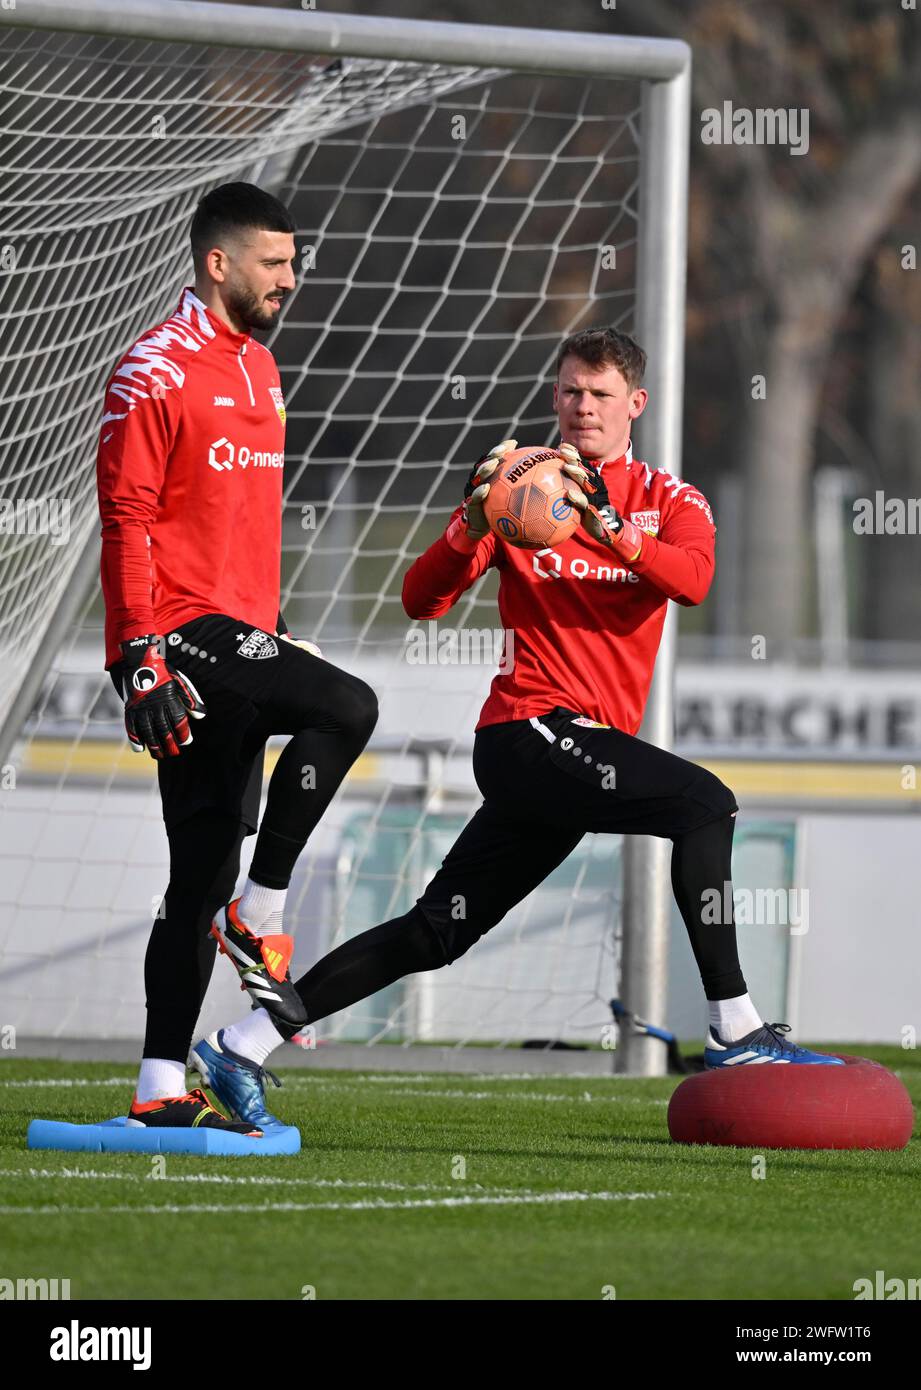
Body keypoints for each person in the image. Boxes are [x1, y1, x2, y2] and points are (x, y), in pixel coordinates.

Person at [193, 326, 842, 1130]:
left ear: (634, 405)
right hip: (528, 731)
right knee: (704, 805)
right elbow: (420, 600)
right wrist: (469, 524)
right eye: (570, 390)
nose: (582, 407)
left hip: (567, 761)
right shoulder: (516, 487)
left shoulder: (670, 500)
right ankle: (735, 1027)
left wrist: (613, 531)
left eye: (600, 394)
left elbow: (695, 581)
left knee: (435, 933)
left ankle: (241, 1042)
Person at [97, 182, 378, 1135]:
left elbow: (242, 524)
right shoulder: (152, 369)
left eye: (293, 263)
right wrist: (138, 656)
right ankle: (261, 916)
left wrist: (276, 618)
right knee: (349, 707)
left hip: (243, 631)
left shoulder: (260, 368)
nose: (290, 280)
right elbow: (128, 516)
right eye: (274, 263)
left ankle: (158, 1088)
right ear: (218, 264)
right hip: (179, 638)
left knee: (193, 881)